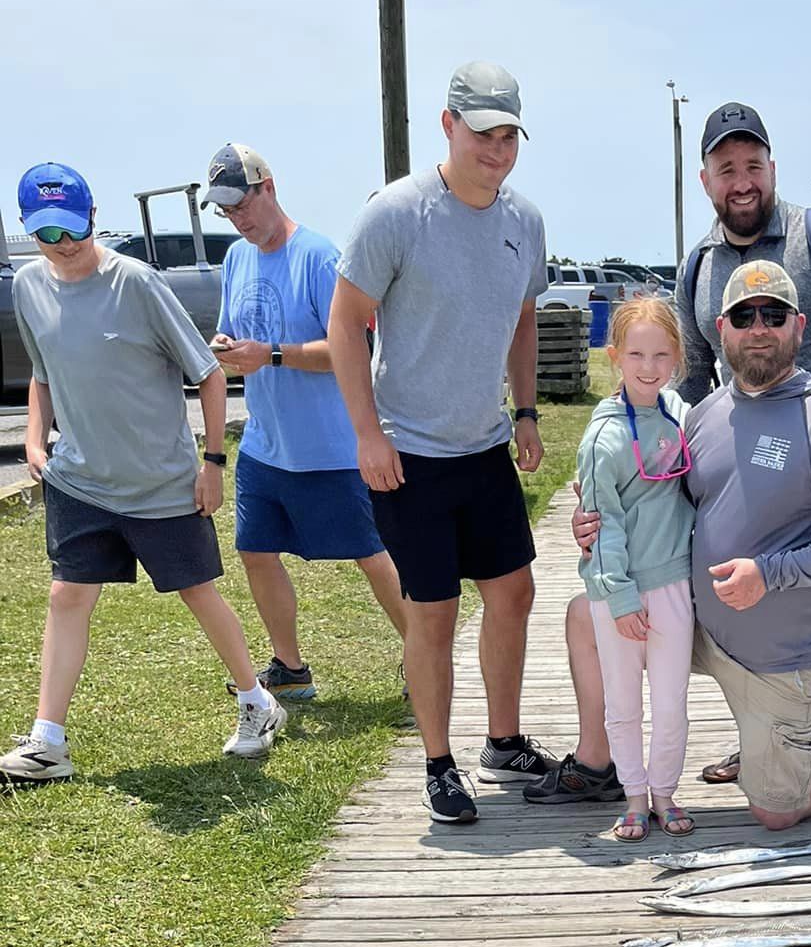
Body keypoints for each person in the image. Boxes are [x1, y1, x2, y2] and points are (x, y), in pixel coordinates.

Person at [552, 100, 811, 807]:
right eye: (726, 169)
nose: (741, 181)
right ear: (707, 181)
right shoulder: (698, 266)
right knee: (720, 595)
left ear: (772, 168)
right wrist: (621, 487)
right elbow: (688, 380)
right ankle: (759, 735)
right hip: (746, 459)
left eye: (752, 166)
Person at [0, 162, 285, 787]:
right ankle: (47, 742)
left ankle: (256, 701)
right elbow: (42, 373)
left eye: (72, 229)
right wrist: (34, 438)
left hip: (161, 483)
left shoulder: (136, 283)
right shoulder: (28, 286)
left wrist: (213, 463)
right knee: (66, 595)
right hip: (80, 480)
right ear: (27, 228)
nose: (63, 244)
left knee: (197, 591)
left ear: (92, 217)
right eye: (47, 233)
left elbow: (208, 374)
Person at [328, 60, 554, 824]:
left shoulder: (525, 221)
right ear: (448, 124)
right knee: (433, 610)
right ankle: (437, 762)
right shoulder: (396, 213)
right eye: (483, 132)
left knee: (514, 593)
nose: (496, 149)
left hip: (484, 447)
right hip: (408, 455)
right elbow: (344, 323)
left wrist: (527, 411)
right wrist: (367, 434)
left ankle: (504, 742)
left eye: (509, 135)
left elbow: (523, 316)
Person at [680, 260, 811, 830]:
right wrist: (597, 519)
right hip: (701, 632)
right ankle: (600, 768)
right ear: (720, 330)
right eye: (743, 316)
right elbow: (672, 505)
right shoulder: (702, 416)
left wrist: (770, 574)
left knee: (778, 812)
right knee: (589, 620)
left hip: (779, 660)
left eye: (773, 315)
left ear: (798, 326)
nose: (758, 328)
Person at [203, 142, 408, 703]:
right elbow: (234, 330)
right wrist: (226, 346)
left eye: (242, 204)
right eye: (226, 211)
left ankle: (424, 660)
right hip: (265, 445)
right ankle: (290, 668)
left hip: (331, 446)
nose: (237, 219)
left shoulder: (319, 256)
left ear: (269, 188)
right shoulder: (235, 258)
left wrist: (271, 354)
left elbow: (350, 349)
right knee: (255, 552)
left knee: (372, 556)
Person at [576, 297, 696, 843]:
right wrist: (621, 599)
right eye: (636, 355)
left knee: (671, 703)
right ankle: (634, 796)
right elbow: (604, 526)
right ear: (615, 357)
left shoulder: (679, 415)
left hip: (674, 584)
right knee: (623, 705)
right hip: (618, 595)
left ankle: (665, 792)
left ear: (677, 358)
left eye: (661, 355)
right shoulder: (602, 440)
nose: (649, 367)